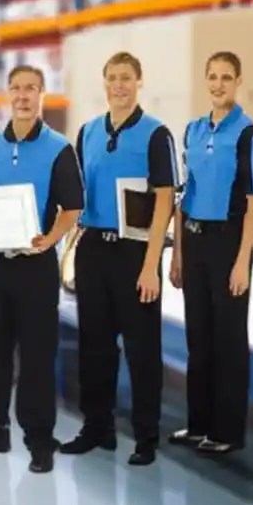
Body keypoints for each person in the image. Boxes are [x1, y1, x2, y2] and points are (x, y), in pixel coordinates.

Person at [0, 64, 84, 474]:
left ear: (42, 94)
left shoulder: (59, 148)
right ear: (8, 95)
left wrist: (49, 240)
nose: (23, 96)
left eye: (31, 88)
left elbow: (73, 208)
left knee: (36, 356)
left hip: (36, 268)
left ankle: (39, 440)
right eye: (16, 88)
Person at [62, 51, 179, 467]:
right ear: (104, 82)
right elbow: (75, 193)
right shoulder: (88, 132)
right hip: (95, 248)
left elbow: (166, 199)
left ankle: (146, 435)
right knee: (95, 345)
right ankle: (98, 427)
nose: (118, 85)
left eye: (126, 77)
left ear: (139, 81)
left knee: (142, 348)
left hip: (136, 253)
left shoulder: (156, 134)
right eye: (112, 77)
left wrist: (151, 266)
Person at [169, 51, 253, 457]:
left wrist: (243, 258)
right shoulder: (192, 131)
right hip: (193, 241)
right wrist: (177, 252)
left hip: (228, 243)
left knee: (229, 338)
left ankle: (227, 431)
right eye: (212, 77)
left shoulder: (248, 134)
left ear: (238, 82)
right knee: (199, 336)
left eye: (226, 77)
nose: (218, 84)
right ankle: (198, 424)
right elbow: (180, 193)